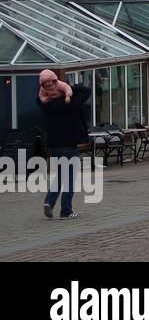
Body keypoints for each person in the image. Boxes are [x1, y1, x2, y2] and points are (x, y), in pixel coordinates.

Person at [37, 70, 90, 220]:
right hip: (70, 145)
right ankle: (66, 210)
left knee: (60, 176)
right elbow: (86, 90)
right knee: (70, 178)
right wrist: (65, 86)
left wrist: (48, 91)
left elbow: (38, 99)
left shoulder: (47, 106)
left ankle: (49, 202)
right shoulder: (71, 103)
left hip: (55, 146)